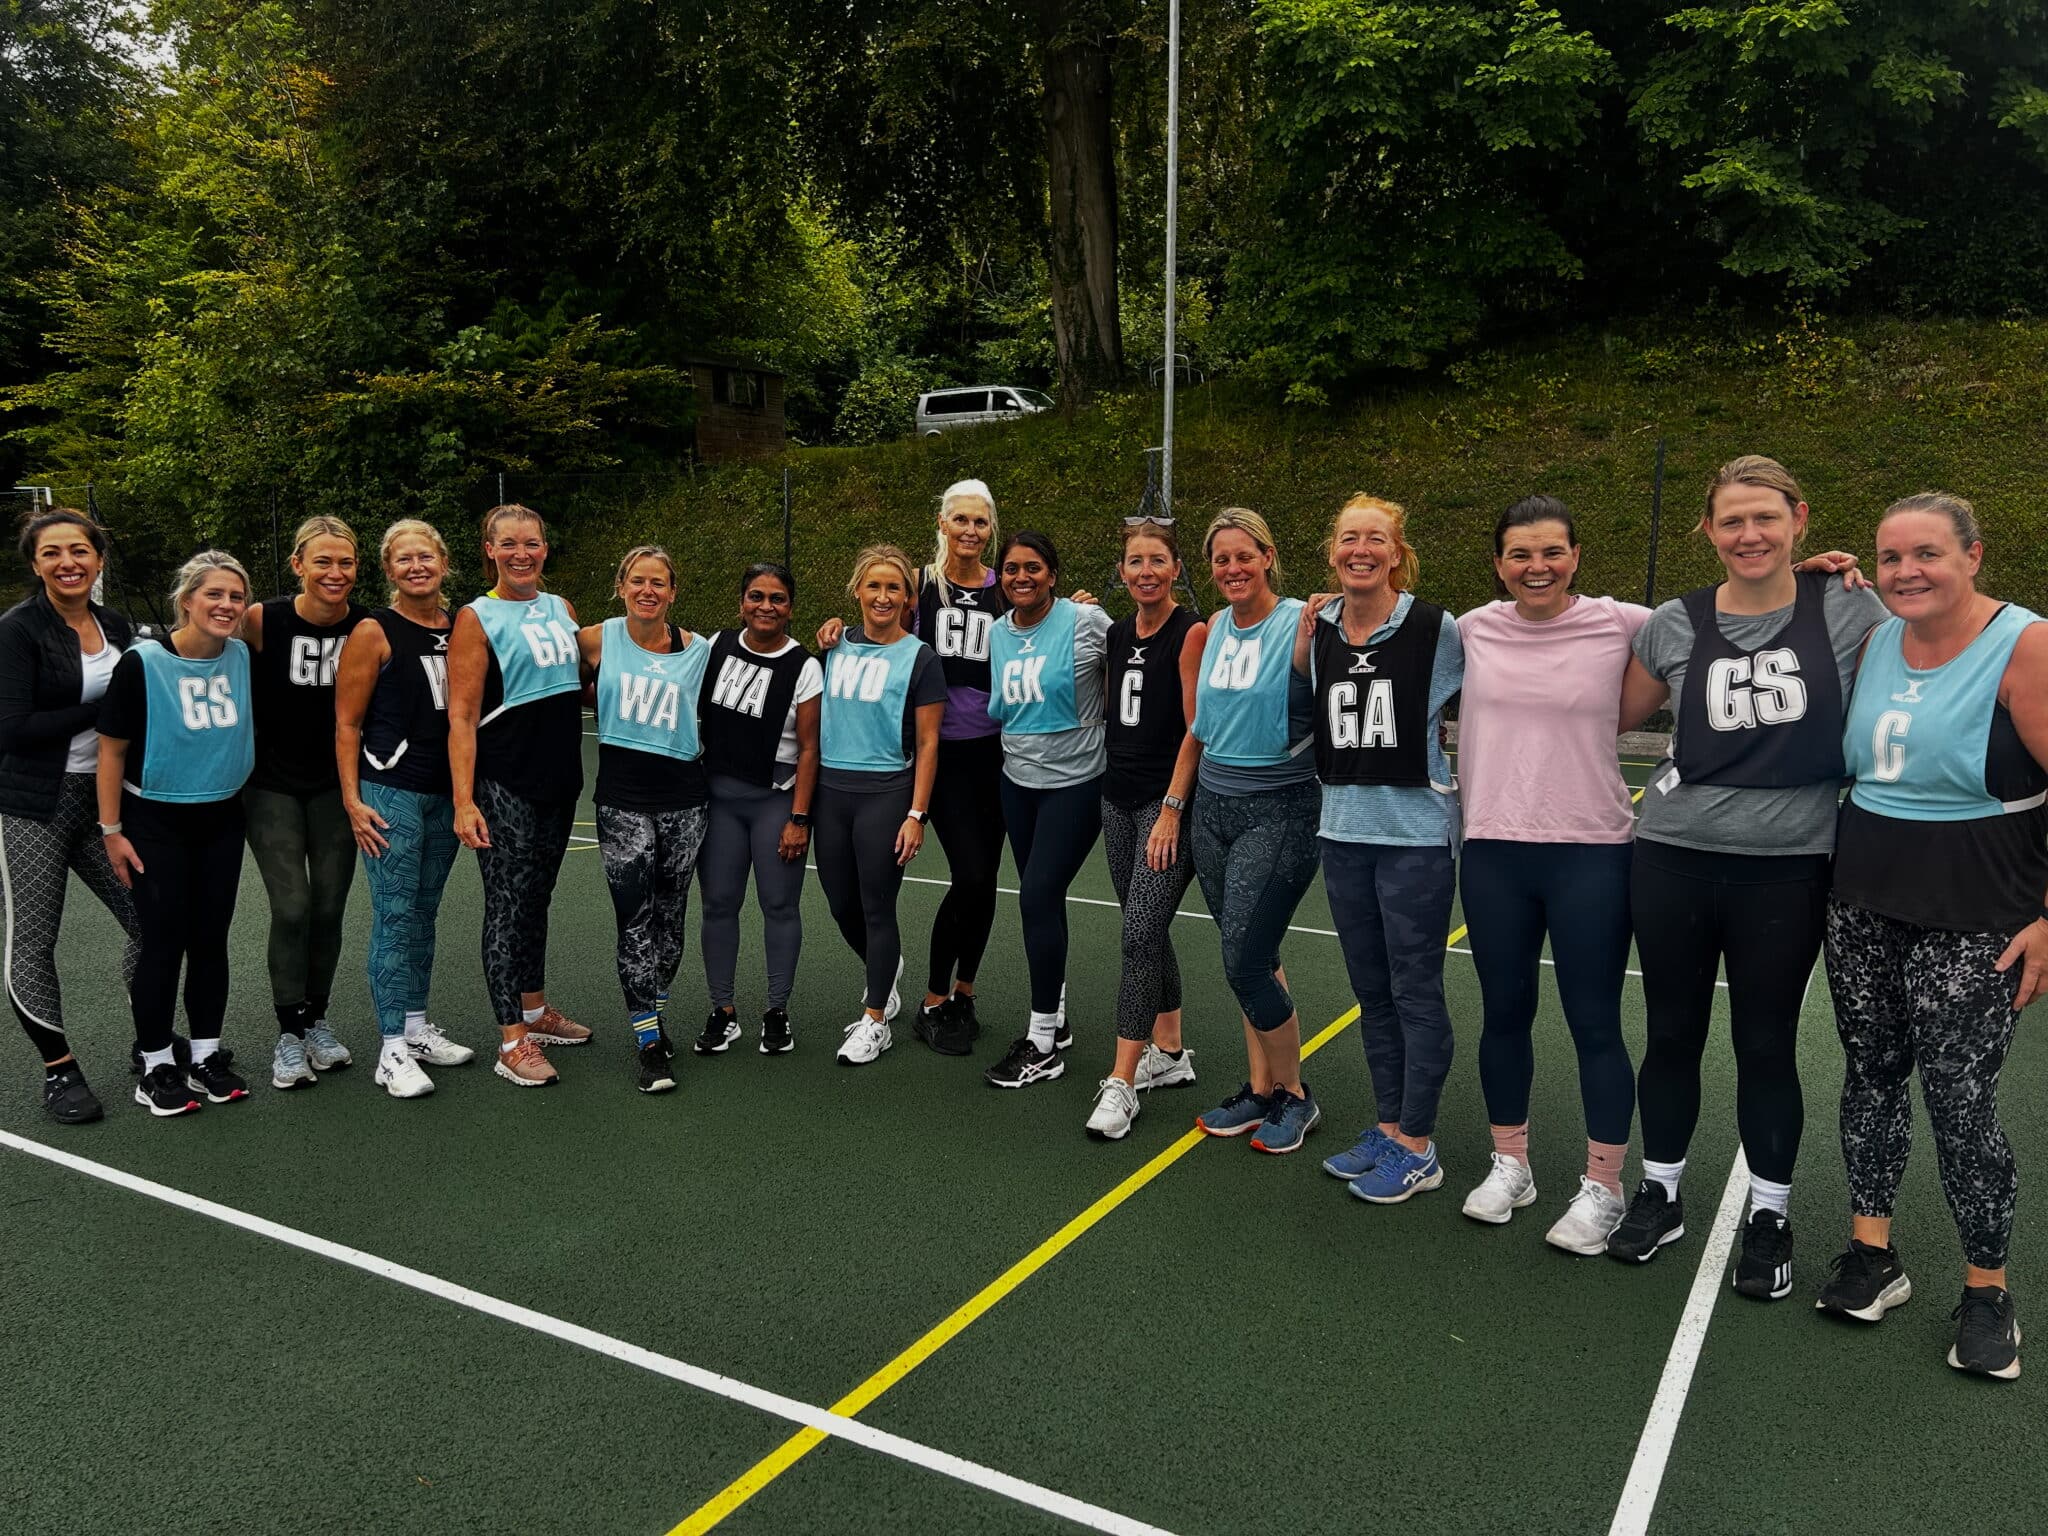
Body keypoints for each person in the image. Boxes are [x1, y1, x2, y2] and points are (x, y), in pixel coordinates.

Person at [1608, 455, 1886, 1299]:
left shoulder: (1848, 608)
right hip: (1672, 857)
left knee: (1765, 1042)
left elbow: (1922, 659)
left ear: (1799, 518)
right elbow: (1616, 715)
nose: (1750, 534)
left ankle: (1769, 1211)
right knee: (1670, 1033)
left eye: (1765, 517)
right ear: (1708, 530)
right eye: (1732, 520)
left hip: (1787, 869)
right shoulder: (1673, 622)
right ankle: (1660, 1192)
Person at [1817, 492, 2046, 1379]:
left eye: (1928, 554)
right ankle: (1873, 1256)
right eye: (1889, 557)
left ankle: (1987, 1291)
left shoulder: (2025, 645)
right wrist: (1819, 574)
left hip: (1980, 911)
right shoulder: (1877, 639)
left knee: (1959, 1101)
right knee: (1870, 1075)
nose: (1907, 571)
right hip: (1866, 901)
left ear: (1974, 555)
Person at [1452, 496, 1649, 1249]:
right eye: (1519, 556)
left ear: (1576, 555)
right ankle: (1513, 1165)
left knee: (1594, 1021)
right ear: (1498, 563)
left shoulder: (1623, 622)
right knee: (1504, 1014)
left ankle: (1602, 1184)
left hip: (1592, 851)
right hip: (1495, 849)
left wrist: (1805, 577)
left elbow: (1728, 616)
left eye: (1552, 553)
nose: (1537, 568)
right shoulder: (1470, 630)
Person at [1300, 497, 1465, 1203]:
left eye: (1375, 539)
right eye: (1348, 538)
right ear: (1332, 551)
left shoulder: (1439, 629)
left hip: (1414, 840)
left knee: (1415, 991)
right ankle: (1390, 1126)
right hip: (1342, 834)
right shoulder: (1323, 626)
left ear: (1397, 552)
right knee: (1371, 993)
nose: (1360, 549)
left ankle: (1420, 1146)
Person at [819, 480, 1009, 1054]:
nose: (970, 531)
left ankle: (963, 993)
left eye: (980, 522)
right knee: (968, 875)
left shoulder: (1008, 590)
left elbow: (1047, 621)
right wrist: (834, 628)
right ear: (942, 523)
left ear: (990, 529)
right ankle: (930, 994)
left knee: (981, 882)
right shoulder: (921, 588)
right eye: (961, 521)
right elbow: (877, 627)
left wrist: (1076, 606)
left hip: (997, 752)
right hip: (938, 753)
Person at [98, 550, 257, 1116]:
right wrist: (112, 829)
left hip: (220, 818)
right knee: (163, 942)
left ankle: (206, 1056)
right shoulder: (143, 663)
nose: (226, 605)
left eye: (236, 597)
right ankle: (157, 1061)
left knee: (211, 939)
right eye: (214, 594)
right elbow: (111, 751)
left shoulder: (241, 655)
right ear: (186, 600)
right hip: (154, 821)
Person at [1187, 509, 1324, 1154]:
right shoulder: (1214, 626)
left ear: (1268, 556)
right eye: (1221, 559)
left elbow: (1332, 658)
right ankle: (1260, 1087)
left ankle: (1296, 1096)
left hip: (1281, 808)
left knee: (1242, 960)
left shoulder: (1300, 621)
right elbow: (1200, 724)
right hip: (1212, 806)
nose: (1233, 569)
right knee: (1257, 954)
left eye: (1245, 556)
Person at [0, 508, 142, 1123]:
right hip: (34, 803)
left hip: (105, 803)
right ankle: (60, 1071)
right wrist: (104, 708)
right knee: (35, 938)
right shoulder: (17, 630)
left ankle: (152, 1041)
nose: (68, 563)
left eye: (79, 551)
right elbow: (13, 728)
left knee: (151, 917)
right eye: (52, 553)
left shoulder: (115, 624)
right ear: (35, 564)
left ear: (98, 559)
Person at [447, 504, 592, 1089]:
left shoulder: (561, 608)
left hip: (559, 781)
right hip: (504, 782)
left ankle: (536, 1011)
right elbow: (460, 716)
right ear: (489, 550)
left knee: (537, 898)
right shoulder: (476, 617)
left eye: (531, 543)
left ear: (545, 547)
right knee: (507, 906)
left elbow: (581, 690)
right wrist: (464, 800)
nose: (521, 554)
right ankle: (512, 1038)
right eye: (508, 545)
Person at [333, 518, 473, 1100]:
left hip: (446, 794)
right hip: (391, 791)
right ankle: (390, 1048)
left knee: (424, 913)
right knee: (394, 916)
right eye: (404, 559)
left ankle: (415, 1025)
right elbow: (346, 722)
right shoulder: (375, 630)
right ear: (389, 570)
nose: (417, 567)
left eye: (427, 557)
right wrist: (352, 799)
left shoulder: (462, 625)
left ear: (443, 563)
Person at [1084, 519, 1205, 1140]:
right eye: (1135, 561)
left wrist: (1172, 807)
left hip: (1164, 806)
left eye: (1158, 560)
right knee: (1146, 926)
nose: (1146, 571)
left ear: (1176, 569)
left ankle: (1122, 1081)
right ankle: (1172, 1052)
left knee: (1136, 934)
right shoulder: (1114, 632)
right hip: (1116, 799)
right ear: (1123, 570)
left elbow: (1195, 728)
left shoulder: (1192, 632)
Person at [578, 546, 713, 1094]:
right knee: (633, 920)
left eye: (659, 582)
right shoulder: (595, 638)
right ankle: (649, 1043)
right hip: (621, 800)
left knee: (670, 915)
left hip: (685, 799)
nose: (648, 590)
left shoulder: (700, 649)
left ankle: (654, 1014)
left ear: (673, 592)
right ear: (621, 585)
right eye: (638, 580)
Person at [982, 531, 1113, 1090]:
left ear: (1053, 575)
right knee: (1044, 897)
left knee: (1035, 893)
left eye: (1033, 568)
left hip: (1078, 783)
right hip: (1017, 781)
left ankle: (1040, 1043)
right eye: (1011, 569)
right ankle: (1055, 1022)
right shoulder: (997, 632)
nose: (1021, 578)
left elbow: (1141, 658)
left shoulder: (1086, 622)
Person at [243, 515, 371, 1090]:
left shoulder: (368, 627)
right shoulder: (261, 620)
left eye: (344, 562)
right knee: (291, 906)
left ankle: (316, 1021)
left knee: (329, 908)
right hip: (269, 785)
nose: (334, 573)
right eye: (322, 561)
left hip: (337, 787)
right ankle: (288, 1034)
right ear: (298, 565)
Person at [814, 545, 945, 1066]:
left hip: (886, 793)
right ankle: (883, 972)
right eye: (874, 586)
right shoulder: (833, 644)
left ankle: (875, 1019)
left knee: (876, 904)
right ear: (857, 593)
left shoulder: (921, 658)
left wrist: (917, 814)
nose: (883, 596)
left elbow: (931, 743)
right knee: (840, 904)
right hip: (830, 792)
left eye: (894, 588)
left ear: (909, 598)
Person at [697, 562, 821, 1055]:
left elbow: (810, 749)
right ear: (741, 601)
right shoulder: (716, 646)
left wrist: (799, 817)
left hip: (775, 803)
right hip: (719, 802)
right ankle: (723, 1010)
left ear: (790, 608)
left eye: (777, 599)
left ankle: (776, 1010)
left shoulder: (803, 665)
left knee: (778, 905)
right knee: (719, 904)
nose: (765, 607)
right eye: (756, 596)